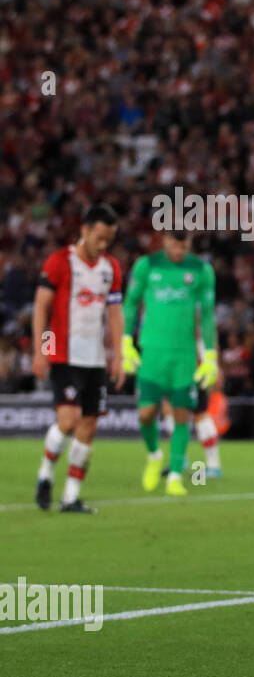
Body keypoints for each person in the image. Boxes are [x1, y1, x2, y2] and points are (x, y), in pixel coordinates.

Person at [31, 204, 124, 513]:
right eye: (99, 238)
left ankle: (71, 498)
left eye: (107, 240)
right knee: (67, 421)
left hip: (95, 360)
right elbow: (41, 308)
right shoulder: (59, 262)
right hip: (64, 356)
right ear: (84, 230)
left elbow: (114, 313)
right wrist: (41, 350)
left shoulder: (111, 268)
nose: (102, 246)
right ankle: (45, 474)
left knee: (88, 428)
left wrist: (119, 355)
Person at [121, 229, 217, 497]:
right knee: (146, 414)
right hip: (152, 351)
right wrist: (125, 341)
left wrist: (210, 354)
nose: (179, 251)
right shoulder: (147, 266)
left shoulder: (201, 270)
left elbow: (207, 315)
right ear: (164, 241)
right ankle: (154, 455)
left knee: (182, 415)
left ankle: (175, 475)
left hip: (184, 355)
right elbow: (130, 304)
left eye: (184, 246)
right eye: (175, 245)